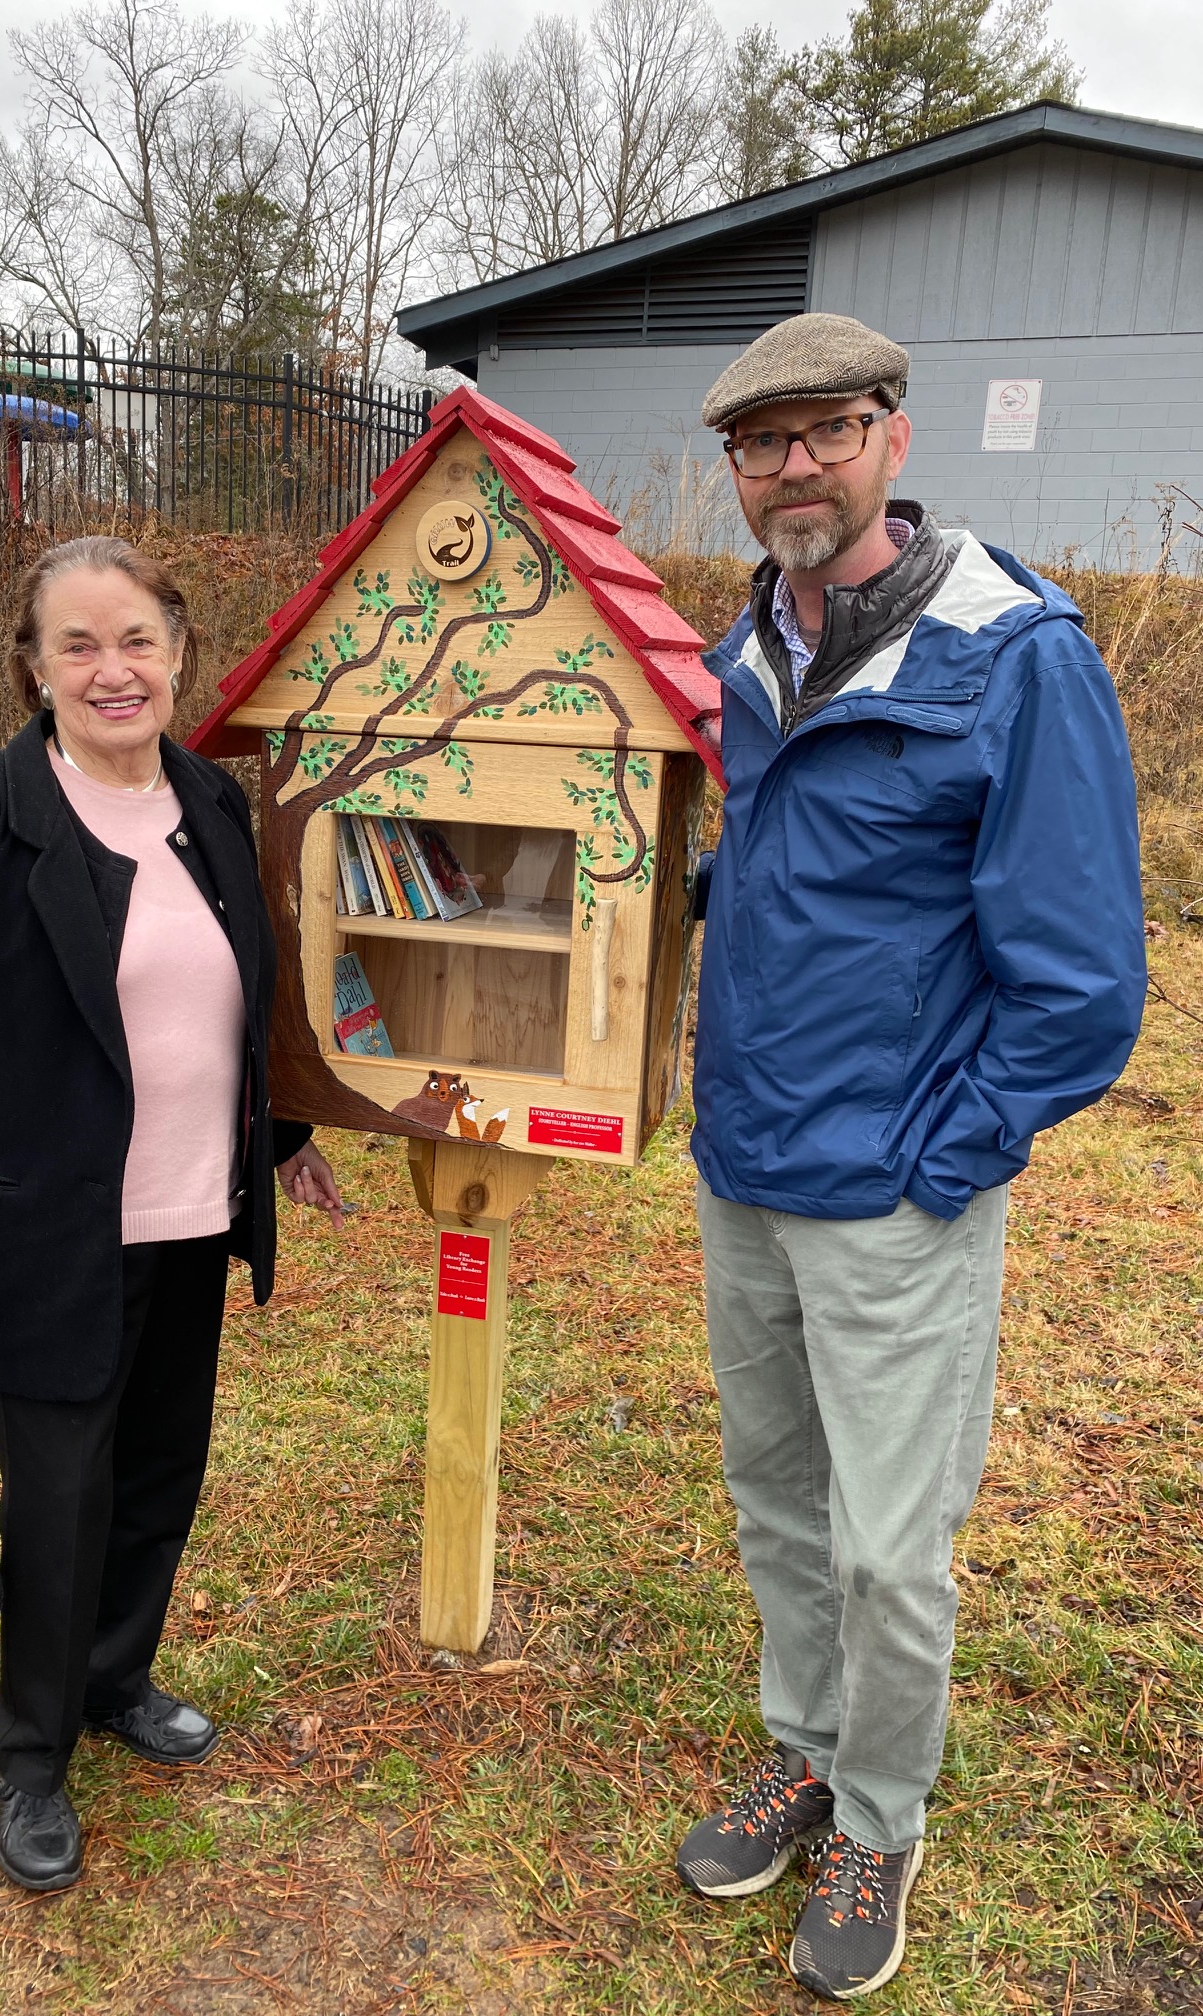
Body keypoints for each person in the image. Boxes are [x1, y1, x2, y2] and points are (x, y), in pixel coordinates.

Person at [676, 314, 1146, 1999]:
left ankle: (883, 1810)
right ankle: (809, 1746)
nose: (793, 468)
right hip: (747, 1168)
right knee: (781, 1504)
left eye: (825, 433)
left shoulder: (1010, 656)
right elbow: (789, 868)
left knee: (890, 1539)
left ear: (890, 435)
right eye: (759, 445)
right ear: (734, 474)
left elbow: (1085, 981)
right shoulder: (740, 659)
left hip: (891, 1189)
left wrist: (951, 1153)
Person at [0, 536, 343, 1895]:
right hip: (41, 1232)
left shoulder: (213, 804)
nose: (115, 670)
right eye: (80, 645)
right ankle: (29, 1759)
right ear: (33, 666)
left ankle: (113, 1680)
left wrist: (278, 1140)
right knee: (59, 1501)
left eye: (139, 640)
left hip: (183, 1217)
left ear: (178, 653)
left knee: (157, 1472)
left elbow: (232, 996)